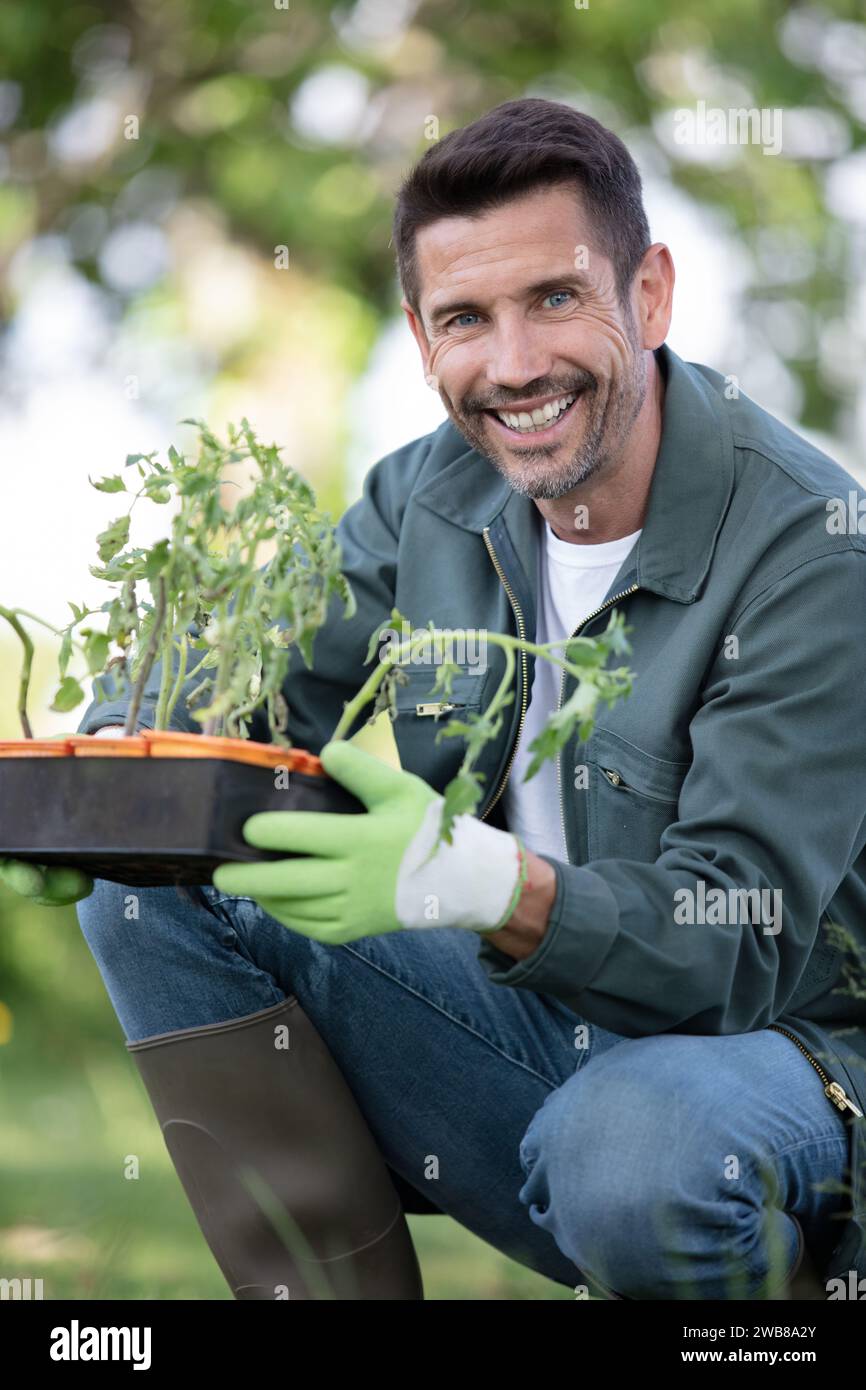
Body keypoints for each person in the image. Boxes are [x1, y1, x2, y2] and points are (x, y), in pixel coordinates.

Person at [4, 97, 865, 1301]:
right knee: (148, 898)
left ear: (650, 294)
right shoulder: (431, 492)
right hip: (537, 1031)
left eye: (554, 299)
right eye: (466, 318)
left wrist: (477, 880)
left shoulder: (811, 551)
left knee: (632, 1147)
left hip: (791, 1072)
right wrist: (100, 785)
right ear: (420, 336)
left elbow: (740, 942)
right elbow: (244, 689)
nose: (513, 366)